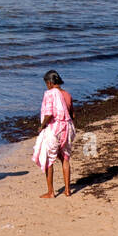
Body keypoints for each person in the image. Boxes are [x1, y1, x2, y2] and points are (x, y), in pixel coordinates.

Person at [33, 69, 75, 199]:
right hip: (67, 127)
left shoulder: (50, 93)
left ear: (50, 83)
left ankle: (51, 192)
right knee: (65, 158)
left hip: (54, 128)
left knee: (49, 160)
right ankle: (67, 190)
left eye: (46, 83)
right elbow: (72, 114)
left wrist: (42, 126)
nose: (47, 86)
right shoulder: (67, 94)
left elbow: (49, 113)